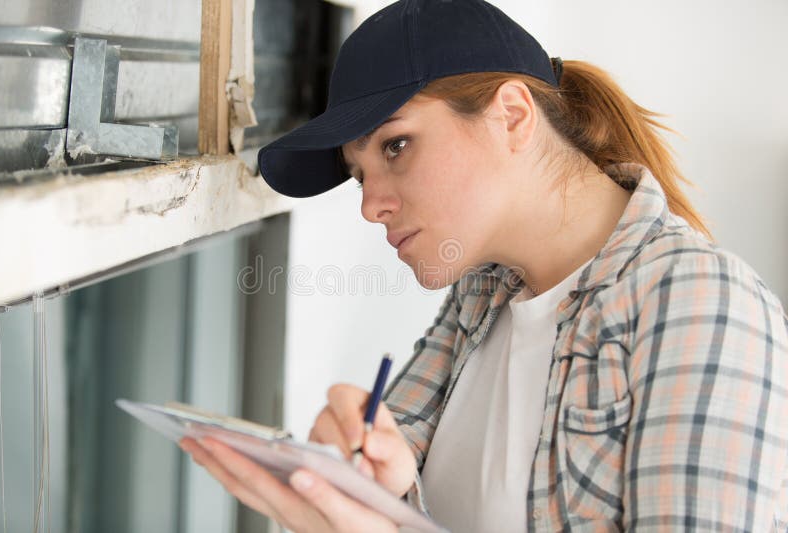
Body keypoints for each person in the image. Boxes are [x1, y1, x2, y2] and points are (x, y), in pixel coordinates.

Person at [180, 0, 788, 531]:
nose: (369, 204)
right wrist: (371, 486)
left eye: (396, 145)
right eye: (360, 173)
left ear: (513, 116)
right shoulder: (482, 295)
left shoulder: (699, 306)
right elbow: (397, 487)